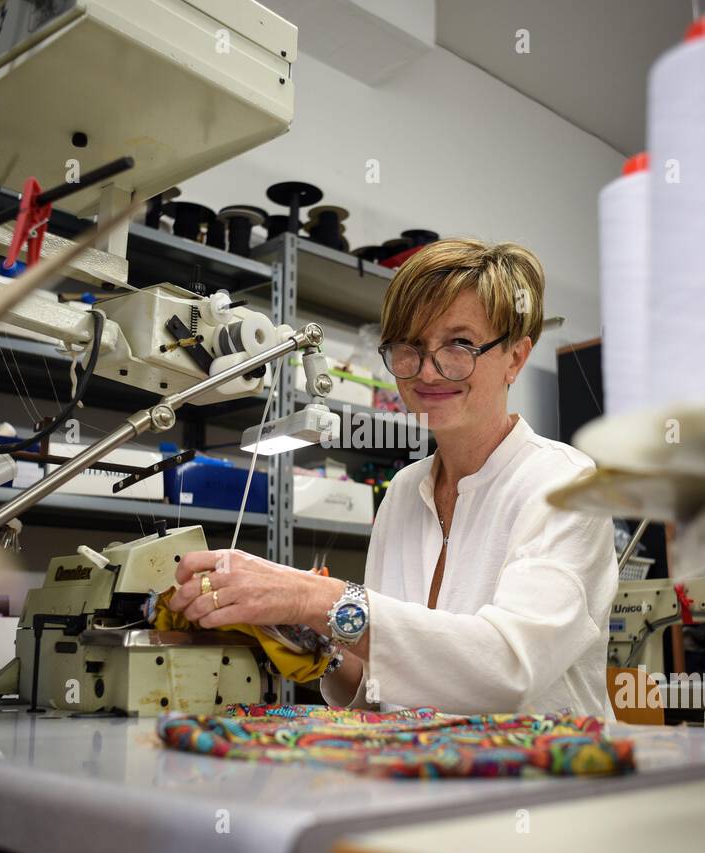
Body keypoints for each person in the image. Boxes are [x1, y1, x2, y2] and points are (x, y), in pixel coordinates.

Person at [168, 239, 617, 716]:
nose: (427, 370)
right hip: (421, 773)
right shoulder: (403, 490)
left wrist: (309, 598)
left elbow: (509, 670)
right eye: (410, 347)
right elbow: (386, 683)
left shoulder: (564, 484)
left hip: (551, 777)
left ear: (516, 357)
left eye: (459, 344)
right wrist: (310, 642)